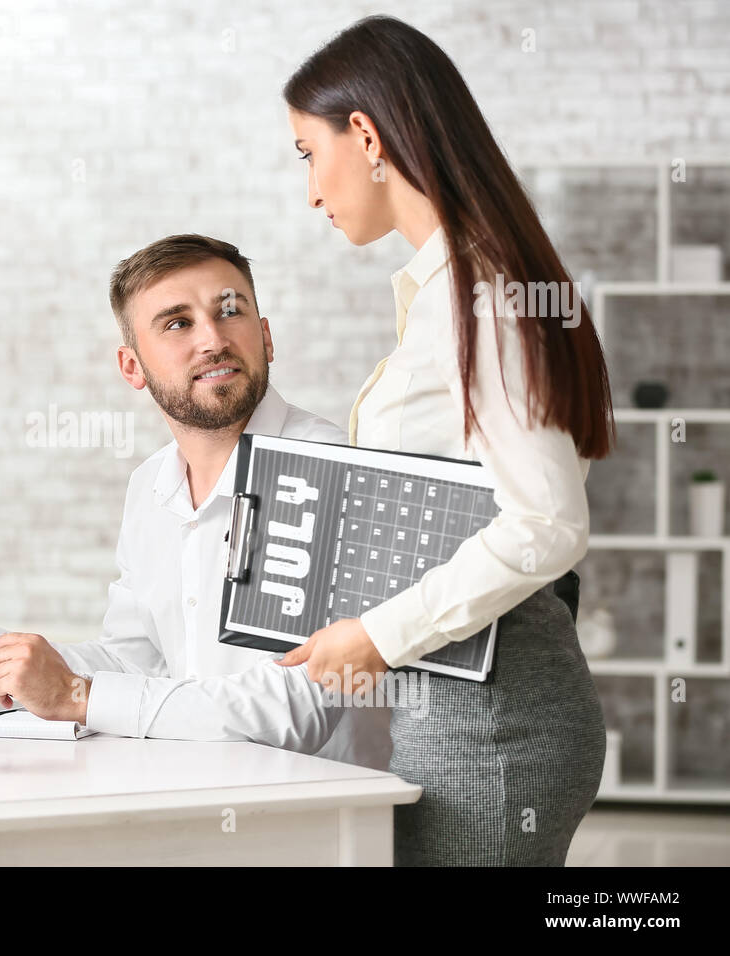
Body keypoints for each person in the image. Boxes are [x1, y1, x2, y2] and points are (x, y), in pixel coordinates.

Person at [0, 234, 391, 770]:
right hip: (189, 793)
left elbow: (295, 711)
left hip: (316, 817)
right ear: (132, 367)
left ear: (266, 337)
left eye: (230, 312)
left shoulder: (324, 468)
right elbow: (135, 661)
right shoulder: (150, 484)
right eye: (178, 322)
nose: (212, 339)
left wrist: (80, 696)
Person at [277, 15, 612, 864]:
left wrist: (377, 637)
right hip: (458, 707)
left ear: (365, 134)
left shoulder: (482, 296)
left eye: (307, 154)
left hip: (494, 722)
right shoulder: (453, 288)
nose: (311, 190)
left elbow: (546, 524)